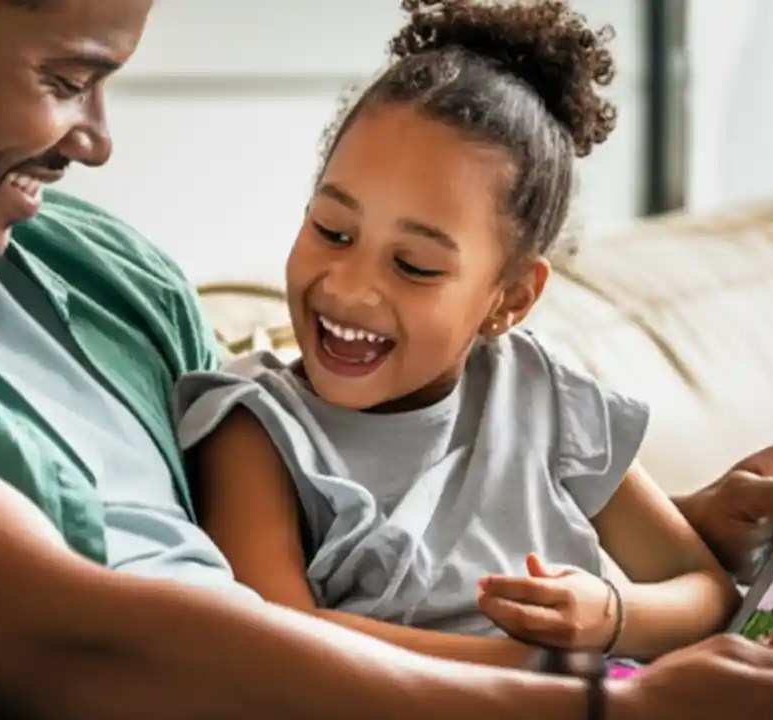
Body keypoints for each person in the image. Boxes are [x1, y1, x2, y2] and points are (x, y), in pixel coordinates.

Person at [0, 0, 773, 718]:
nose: (97, 140)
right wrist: (602, 701)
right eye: (67, 78)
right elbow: (81, 642)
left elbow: (336, 506)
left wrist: (678, 543)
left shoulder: (92, 265)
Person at [177, 0, 737, 667]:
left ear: (509, 299)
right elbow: (276, 638)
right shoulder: (257, 427)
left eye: (414, 265)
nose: (349, 288)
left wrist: (610, 617)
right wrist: (544, 668)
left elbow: (708, 592)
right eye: (332, 230)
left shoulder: (543, 398)